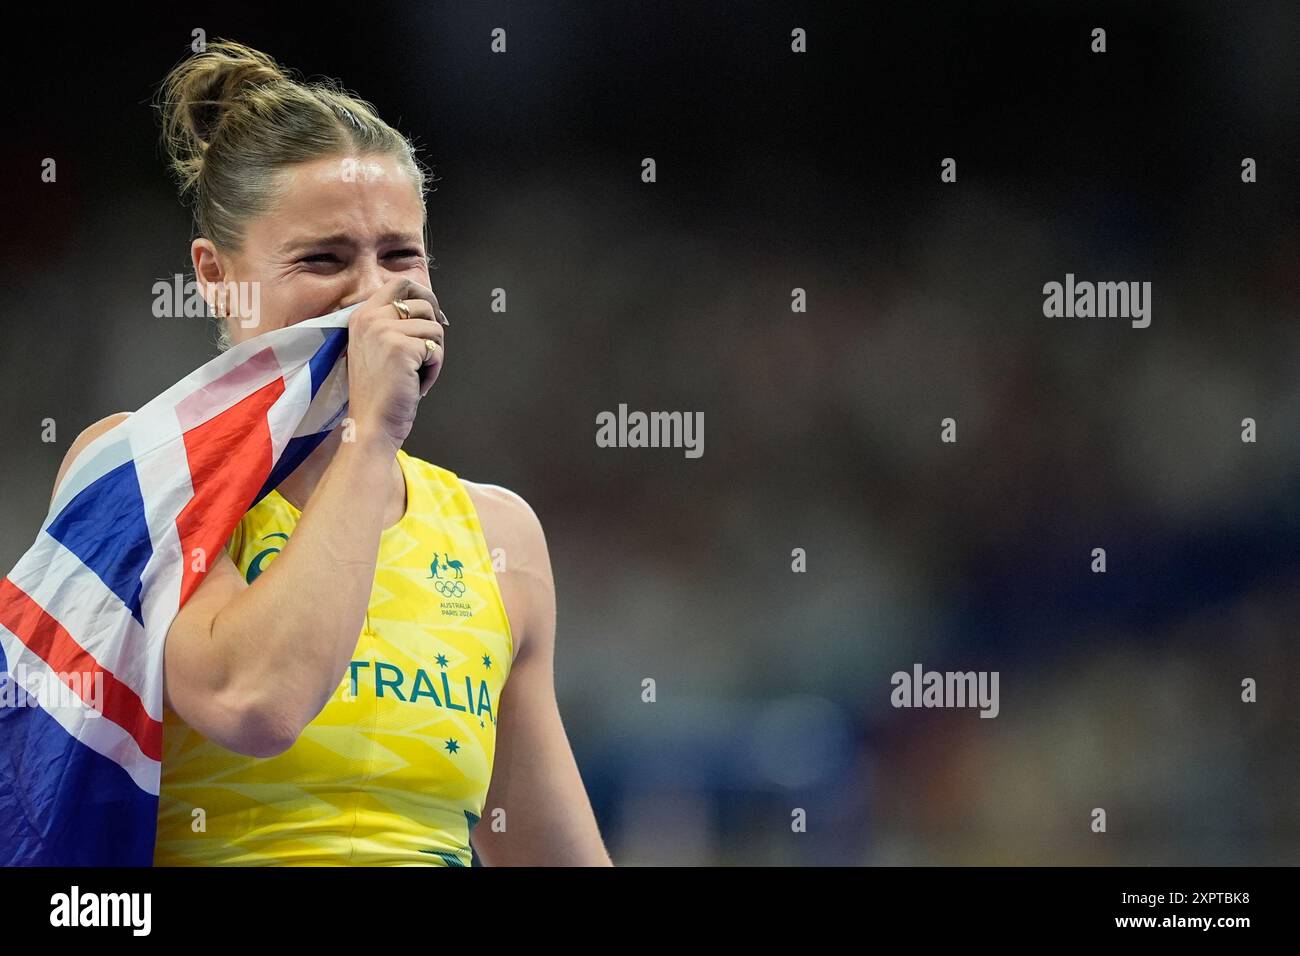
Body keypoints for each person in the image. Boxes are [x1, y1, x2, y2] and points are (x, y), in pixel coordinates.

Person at [49, 40, 612, 866]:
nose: (374, 294)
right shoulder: (138, 466)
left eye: (400, 256)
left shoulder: (498, 537)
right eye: (325, 259)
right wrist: (370, 435)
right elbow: (258, 702)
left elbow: (548, 854)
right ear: (216, 275)